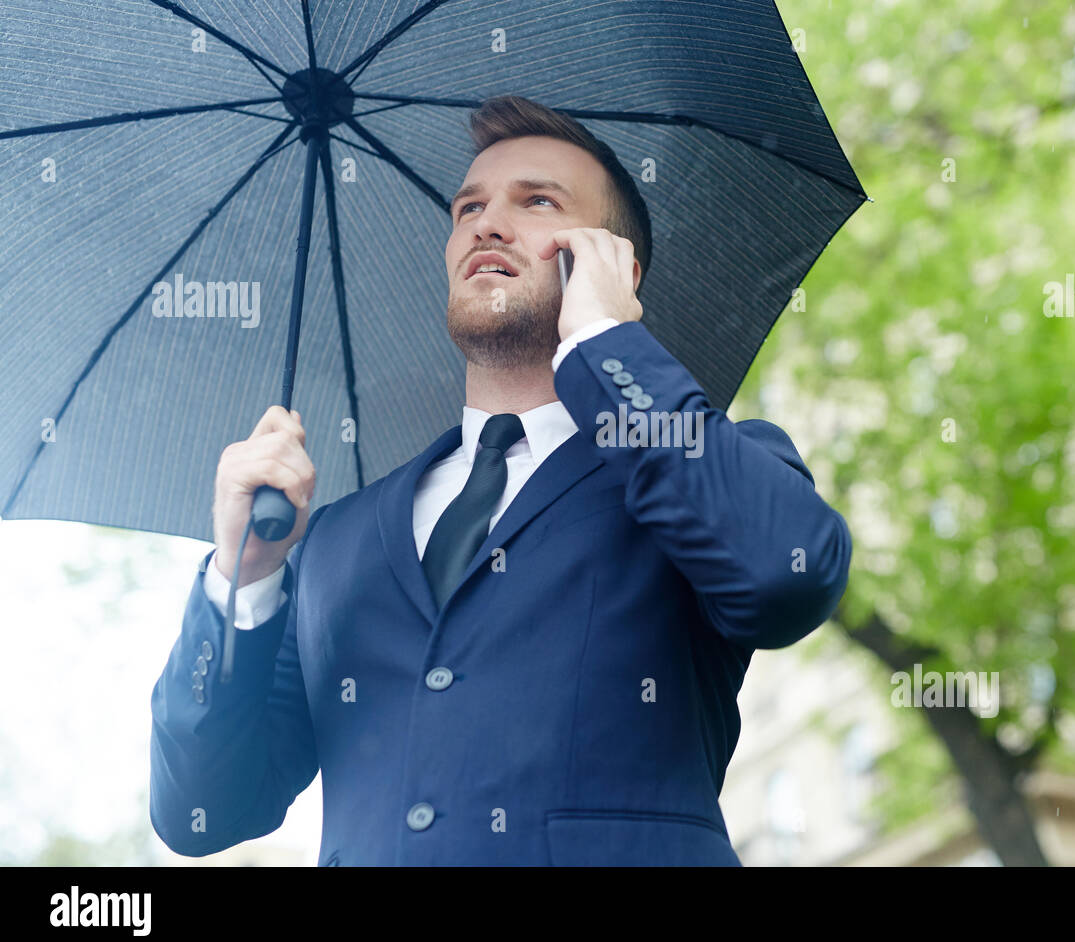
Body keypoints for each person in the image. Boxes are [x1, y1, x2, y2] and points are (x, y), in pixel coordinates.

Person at [150, 95, 852, 866]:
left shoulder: (699, 464)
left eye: (537, 201)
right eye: (468, 208)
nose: (484, 223)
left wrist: (607, 340)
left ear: (614, 263)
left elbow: (784, 577)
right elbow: (201, 810)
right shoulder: (333, 542)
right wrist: (241, 582)